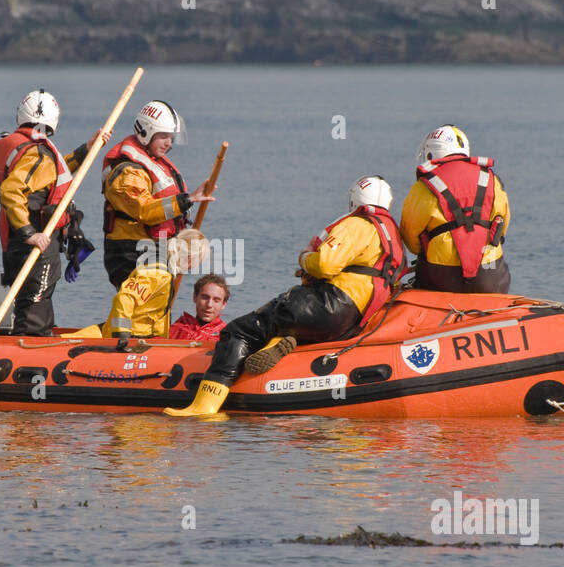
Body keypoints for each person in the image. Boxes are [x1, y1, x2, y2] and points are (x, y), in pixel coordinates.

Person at [165, 176, 405, 418]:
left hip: (329, 304)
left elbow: (324, 263)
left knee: (239, 330)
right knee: (286, 325)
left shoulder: (357, 224)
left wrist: (304, 259)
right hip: (353, 319)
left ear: (354, 199)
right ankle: (281, 341)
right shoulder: (392, 235)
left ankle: (204, 407)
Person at [0, 89, 109, 336]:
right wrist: (29, 233)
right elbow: (10, 191)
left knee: (37, 299)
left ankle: (38, 338)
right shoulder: (35, 153)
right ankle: (27, 350)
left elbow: (52, 174)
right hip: (36, 240)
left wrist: (86, 150)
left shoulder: (30, 150)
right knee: (35, 300)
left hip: (23, 240)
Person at [101, 99, 215, 289]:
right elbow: (144, 210)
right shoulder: (128, 172)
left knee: (158, 309)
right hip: (130, 253)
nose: (168, 143)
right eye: (163, 136)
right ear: (145, 132)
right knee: (136, 311)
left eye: (171, 137)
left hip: (154, 249)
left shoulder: (153, 162)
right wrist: (188, 199)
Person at [400, 124, 510, 294]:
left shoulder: (424, 186)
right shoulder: (490, 178)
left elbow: (410, 239)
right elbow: (503, 225)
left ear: (430, 153)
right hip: (492, 275)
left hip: (442, 277)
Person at [78, 230, 209, 349]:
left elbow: (156, 314)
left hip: (144, 336)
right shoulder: (157, 274)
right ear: (190, 258)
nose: (193, 268)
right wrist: (122, 334)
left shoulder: (164, 274)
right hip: (133, 336)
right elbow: (124, 299)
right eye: (197, 262)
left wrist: (161, 340)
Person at [168, 274, 229, 341]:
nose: (209, 305)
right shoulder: (178, 328)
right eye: (205, 298)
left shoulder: (227, 335)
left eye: (216, 300)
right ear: (195, 297)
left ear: (223, 304)